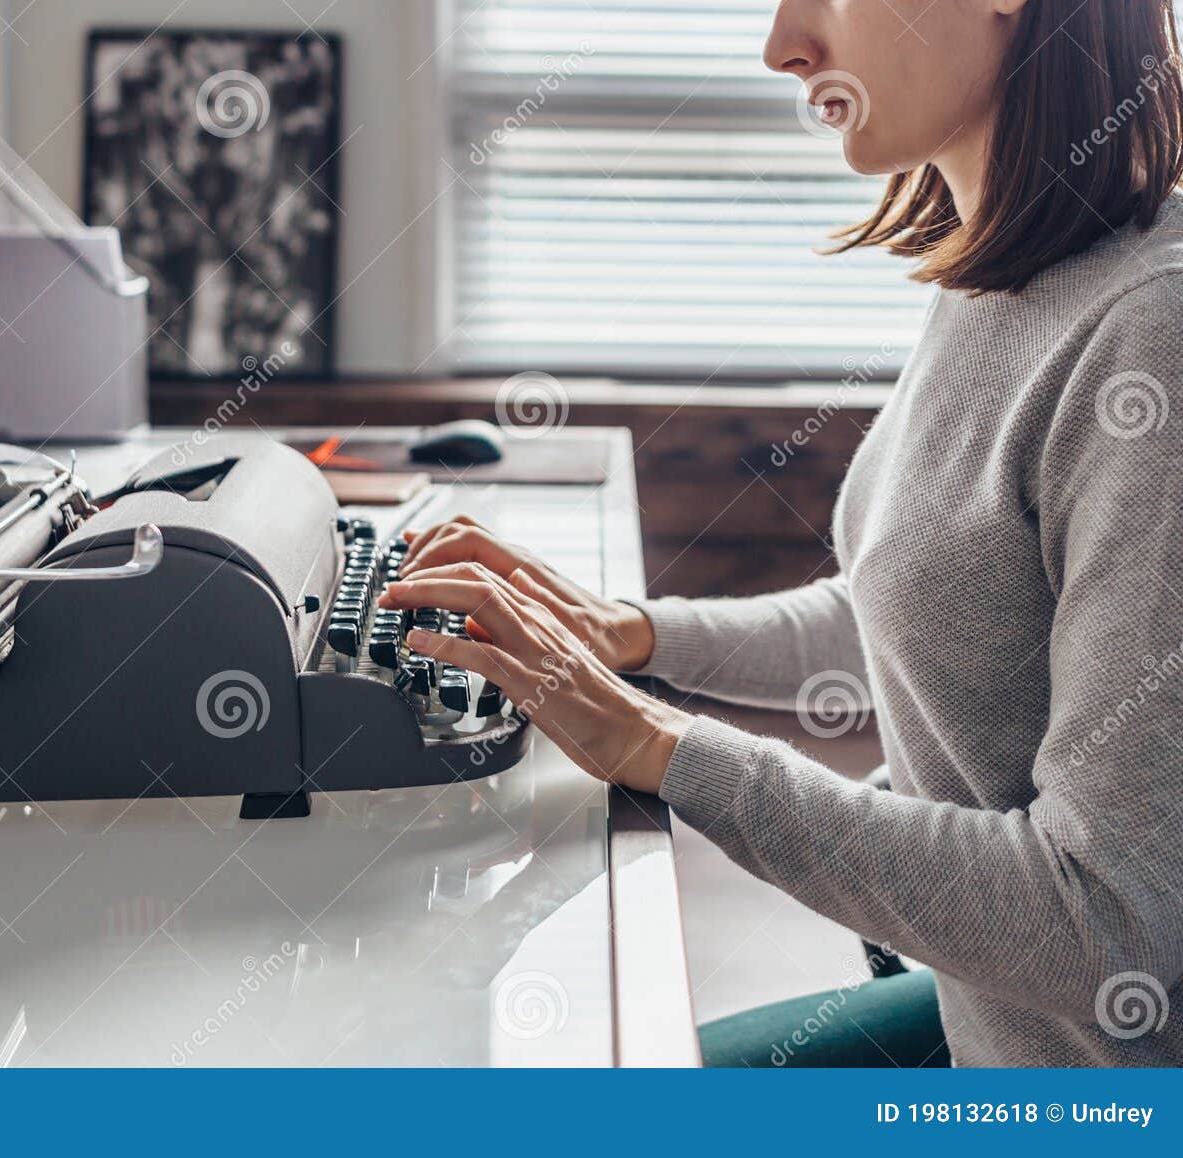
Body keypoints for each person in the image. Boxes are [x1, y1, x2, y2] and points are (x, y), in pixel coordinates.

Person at [382, 0, 1183, 1067]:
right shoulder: (1005, 267)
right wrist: (634, 634)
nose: (783, 44)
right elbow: (934, 604)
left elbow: (1104, 921)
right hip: (980, 1023)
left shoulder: (1148, 340)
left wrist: (660, 746)